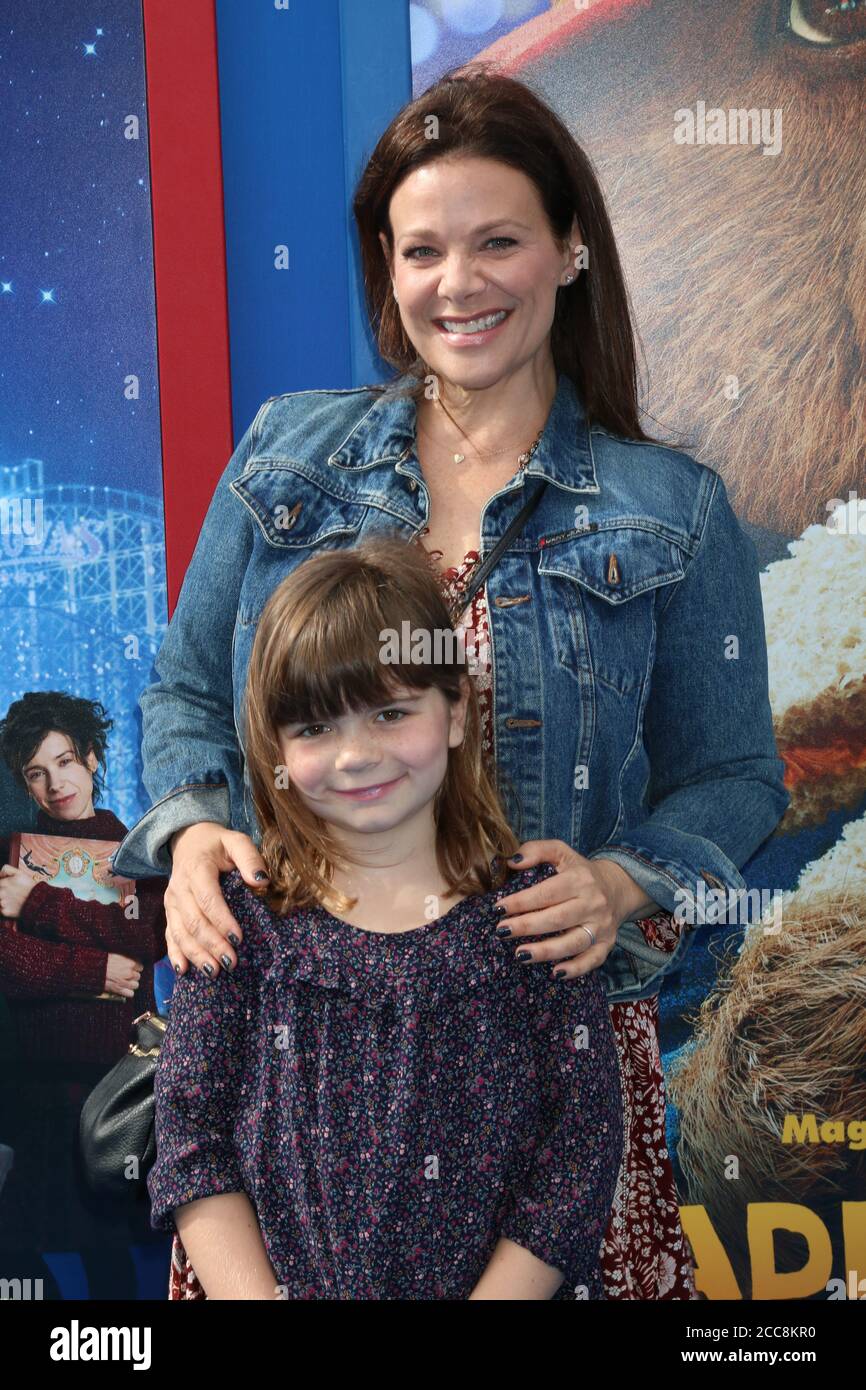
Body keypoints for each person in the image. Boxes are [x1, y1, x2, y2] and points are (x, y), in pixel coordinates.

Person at [113, 68, 790, 1300]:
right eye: (420, 249)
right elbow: (181, 697)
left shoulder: (671, 508)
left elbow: (738, 772)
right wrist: (200, 827)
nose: (457, 283)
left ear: (570, 248)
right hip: (298, 1100)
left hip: (547, 1081)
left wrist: (621, 878)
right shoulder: (285, 454)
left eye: (497, 242)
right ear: (386, 267)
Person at [146, 538, 625, 1299]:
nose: (354, 756)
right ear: (273, 748)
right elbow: (190, 1139)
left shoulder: (536, 916)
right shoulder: (240, 926)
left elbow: (580, 1151)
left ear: (458, 711)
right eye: (314, 729)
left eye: (391, 712)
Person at [0, 691, 168, 1297]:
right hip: (40, 1096)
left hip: (117, 1093)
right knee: (17, 1251)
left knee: (113, 1261)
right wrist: (97, 972)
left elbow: (148, 936)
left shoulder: (135, 849)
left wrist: (40, 903)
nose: (55, 784)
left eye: (66, 761)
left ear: (93, 759)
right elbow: (13, 965)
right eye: (36, 773)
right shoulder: (15, 854)